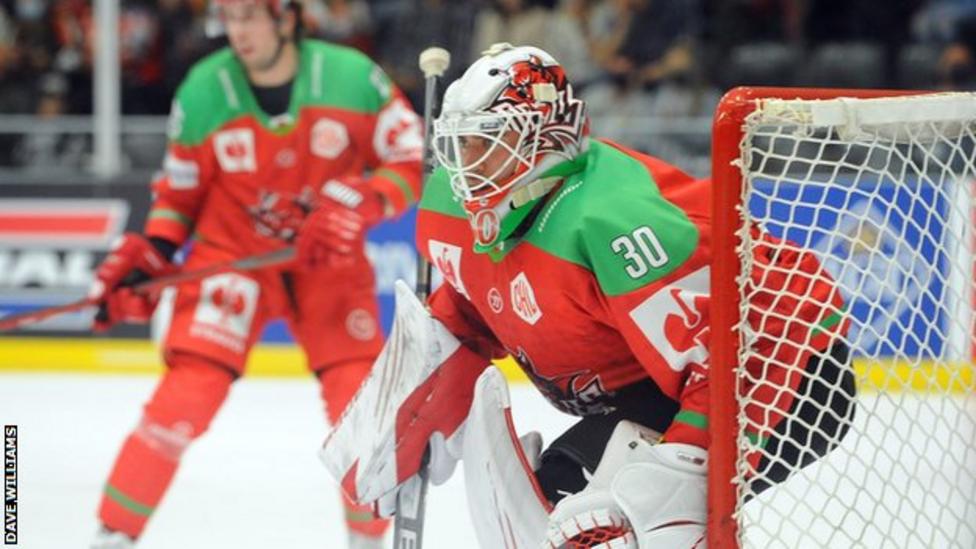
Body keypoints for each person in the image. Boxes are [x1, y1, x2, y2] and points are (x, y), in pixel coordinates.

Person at [305, 43, 856, 547]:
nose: (466, 165)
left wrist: (680, 463)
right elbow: (471, 305)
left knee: (625, 531)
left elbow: (730, 362)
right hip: (657, 375)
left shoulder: (619, 227)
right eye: (460, 143)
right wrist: (418, 396)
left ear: (546, 140)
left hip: (782, 360)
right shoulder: (457, 204)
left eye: (486, 144)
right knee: (555, 512)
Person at [87, 0, 423, 547]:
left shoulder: (352, 76)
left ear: (285, 18)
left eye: (249, 16)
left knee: (362, 408)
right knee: (185, 398)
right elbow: (179, 193)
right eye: (230, 18)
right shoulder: (203, 89)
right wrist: (155, 252)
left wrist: (365, 201)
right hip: (232, 259)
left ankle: (367, 540)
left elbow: (410, 158)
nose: (237, 31)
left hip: (328, 263)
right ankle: (113, 536)